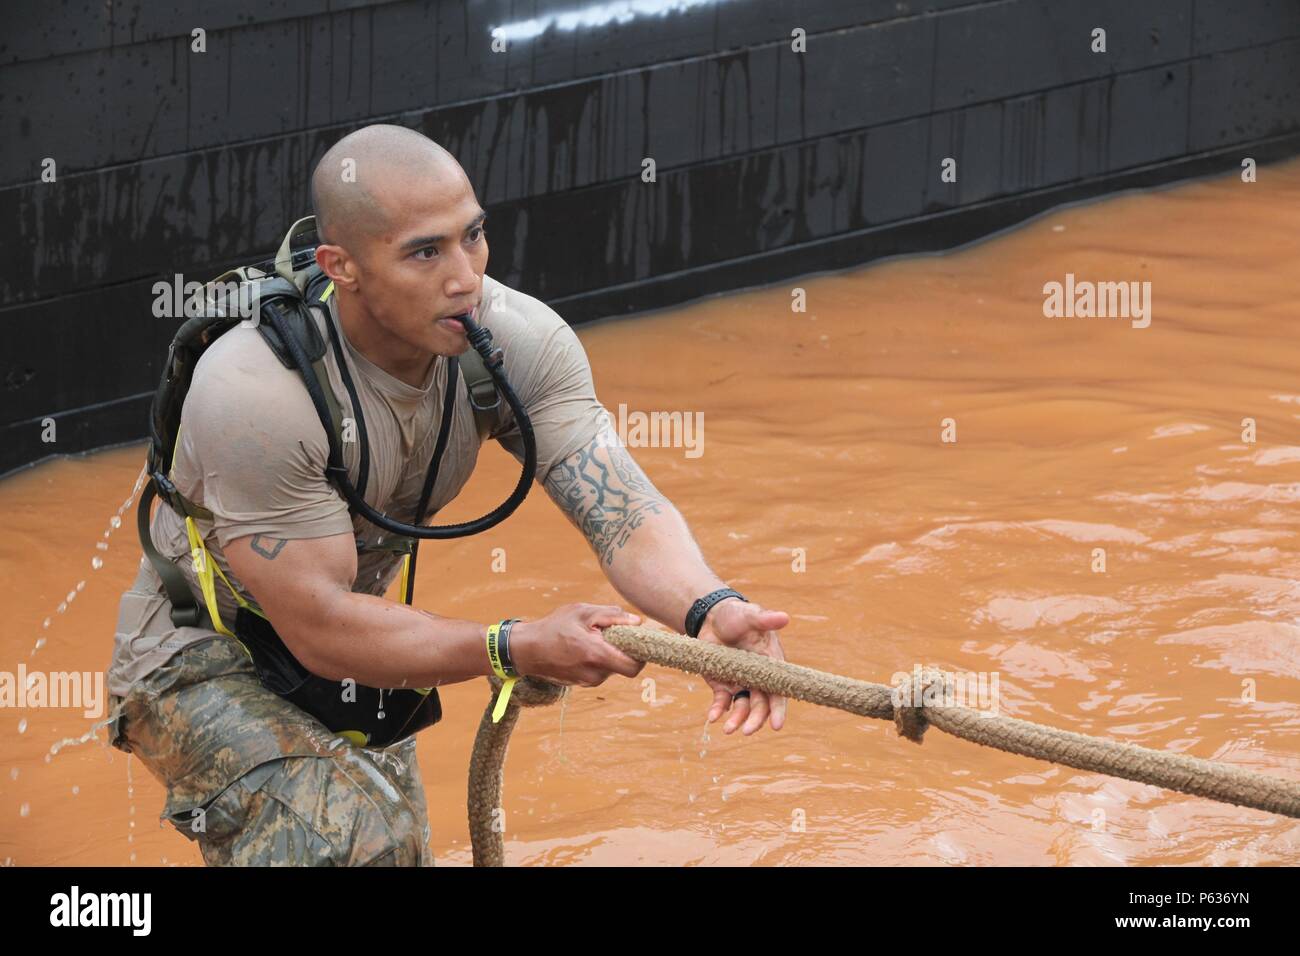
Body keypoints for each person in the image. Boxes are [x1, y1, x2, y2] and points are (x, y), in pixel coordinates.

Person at [105, 123, 790, 866]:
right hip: (199, 658)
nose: (465, 277)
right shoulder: (257, 391)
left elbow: (620, 508)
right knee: (364, 841)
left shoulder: (515, 339)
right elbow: (320, 627)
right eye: (426, 252)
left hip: (360, 644)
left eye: (474, 237)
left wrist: (709, 610)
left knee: (395, 852)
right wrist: (513, 645)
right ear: (343, 267)